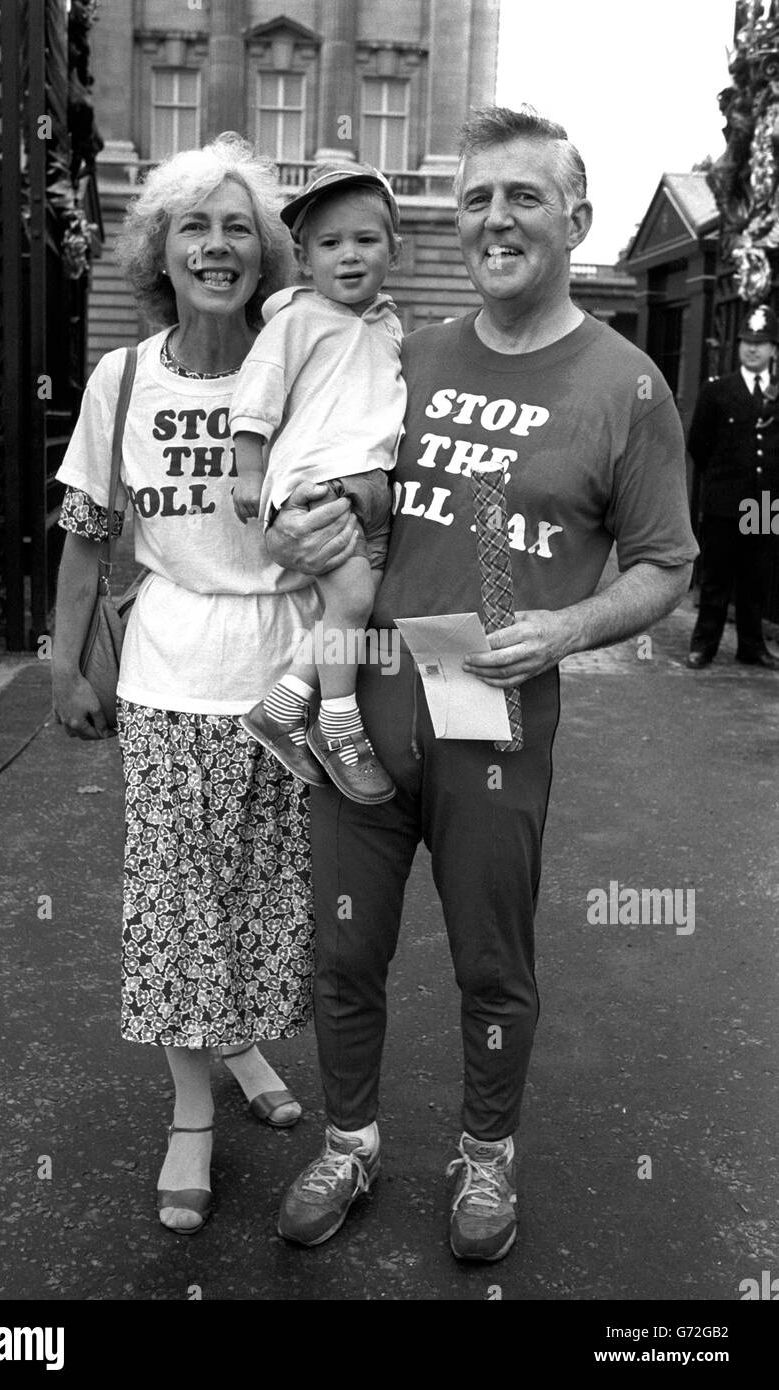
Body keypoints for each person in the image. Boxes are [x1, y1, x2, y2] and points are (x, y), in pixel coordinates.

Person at [266, 107, 700, 1262]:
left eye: (521, 196)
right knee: (343, 950)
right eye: (474, 199)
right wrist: (309, 523)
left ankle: (485, 1154)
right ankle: (349, 1140)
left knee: (490, 960)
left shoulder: (624, 384)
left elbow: (665, 564)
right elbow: (340, 478)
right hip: (365, 689)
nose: (493, 220)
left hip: (491, 694)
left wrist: (565, 624)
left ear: (576, 219)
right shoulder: (404, 353)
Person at [51, 135, 320, 1237]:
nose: (216, 246)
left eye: (237, 227)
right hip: (166, 676)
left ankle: (243, 1044)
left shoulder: (303, 366)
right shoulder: (123, 379)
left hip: (287, 677)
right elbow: (85, 533)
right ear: (159, 251)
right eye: (193, 226)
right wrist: (63, 661)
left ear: (266, 254)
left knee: (259, 897)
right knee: (176, 905)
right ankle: (192, 1115)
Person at [230, 165, 407, 805]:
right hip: (322, 483)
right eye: (330, 244)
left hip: (373, 488)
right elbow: (257, 393)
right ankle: (339, 727)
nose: (349, 255)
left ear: (394, 250)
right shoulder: (298, 320)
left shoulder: (388, 325)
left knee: (351, 608)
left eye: (365, 240)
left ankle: (281, 708)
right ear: (305, 260)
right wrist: (251, 472)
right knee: (352, 603)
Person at [686, 304, 779, 670]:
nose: (752, 348)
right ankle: (704, 645)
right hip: (725, 500)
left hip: (765, 503)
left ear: (773, 348)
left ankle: (751, 646)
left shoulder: (776, 392)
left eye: (761, 342)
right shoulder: (718, 390)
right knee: (716, 577)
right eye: (746, 341)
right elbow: (699, 444)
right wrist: (722, 481)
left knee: (756, 578)